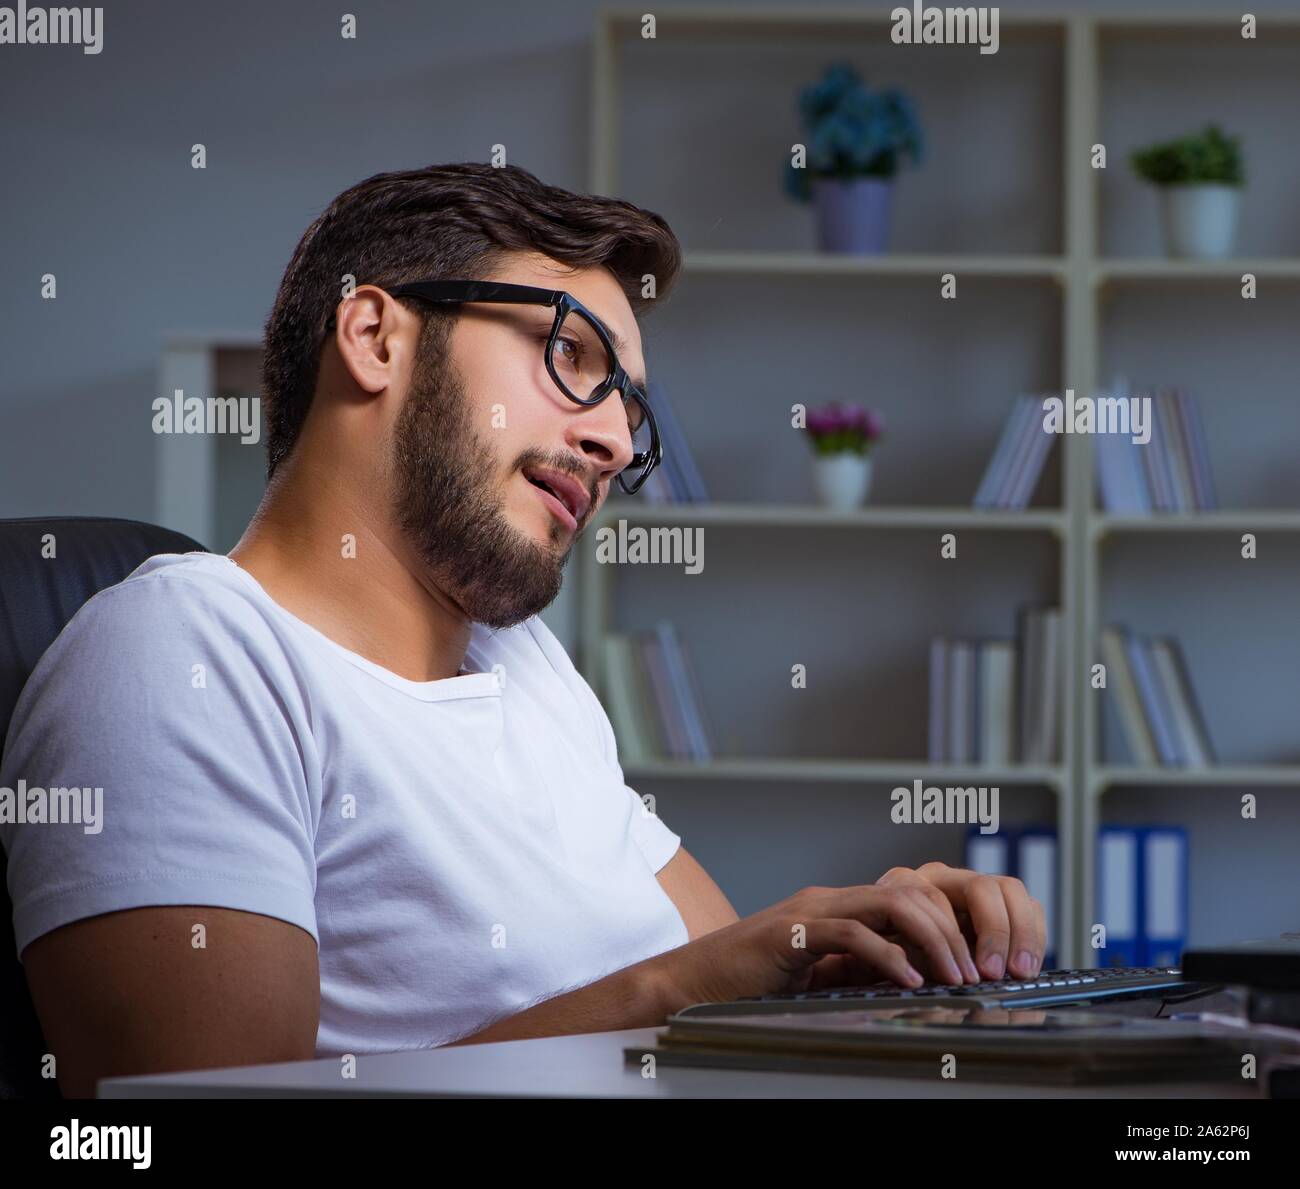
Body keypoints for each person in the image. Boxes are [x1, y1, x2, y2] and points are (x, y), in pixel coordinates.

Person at [0, 163, 1044, 1097]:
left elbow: (737, 964)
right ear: (373, 338)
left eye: (630, 412)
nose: (610, 439)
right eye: (573, 355)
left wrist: (866, 944)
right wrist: (679, 990)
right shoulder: (183, 652)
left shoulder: (527, 669)